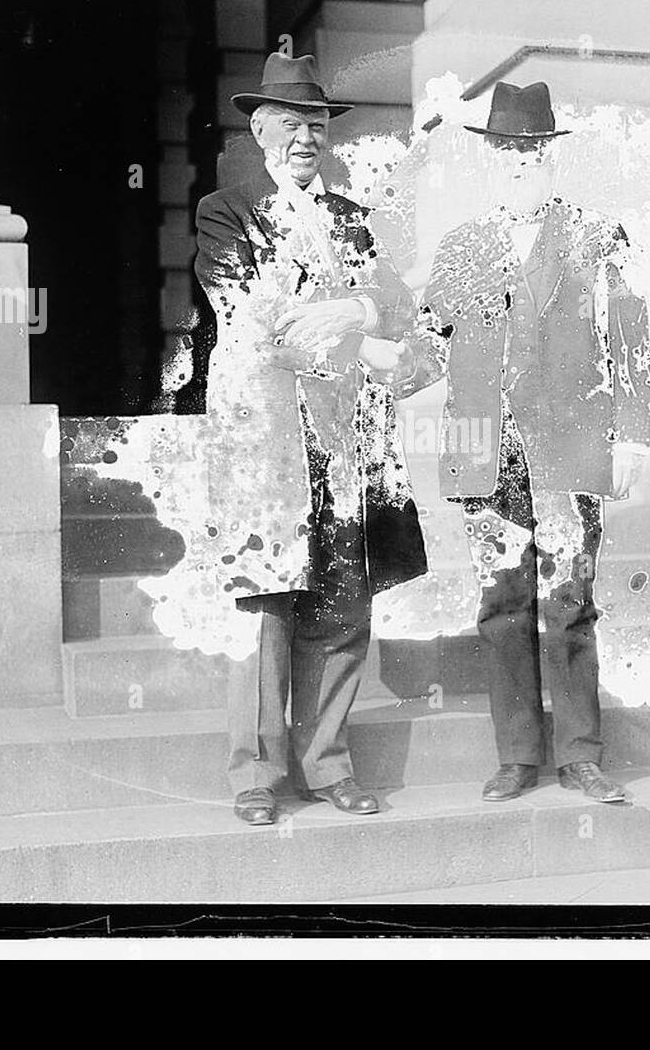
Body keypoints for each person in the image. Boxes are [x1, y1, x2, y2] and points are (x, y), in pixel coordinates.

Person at [393, 81, 650, 803]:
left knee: (568, 598)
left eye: (531, 151)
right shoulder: (462, 247)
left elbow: (631, 340)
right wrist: (372, 368)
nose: (518, 163)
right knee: (502, 602)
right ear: (490, 161)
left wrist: (632, 437)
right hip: (485, 449)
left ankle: (579, 753)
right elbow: (425, 343)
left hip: (571, 448)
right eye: (506, 151)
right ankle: (516, 755)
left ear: (551, 158)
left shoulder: (598, 235)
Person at [193, 53, 426, 826]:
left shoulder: (356, 220)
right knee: (266, 604)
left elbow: (398, 304)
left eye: (316, 125)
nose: (305, 138)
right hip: (264, 438)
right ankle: (256, 773)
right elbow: (253, 317)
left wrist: (357, 314)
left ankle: (327, 762)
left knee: (342, 601)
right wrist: (363, 331)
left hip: (348, 441)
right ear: (259, 132)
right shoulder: (225, 211)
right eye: (290, 124)